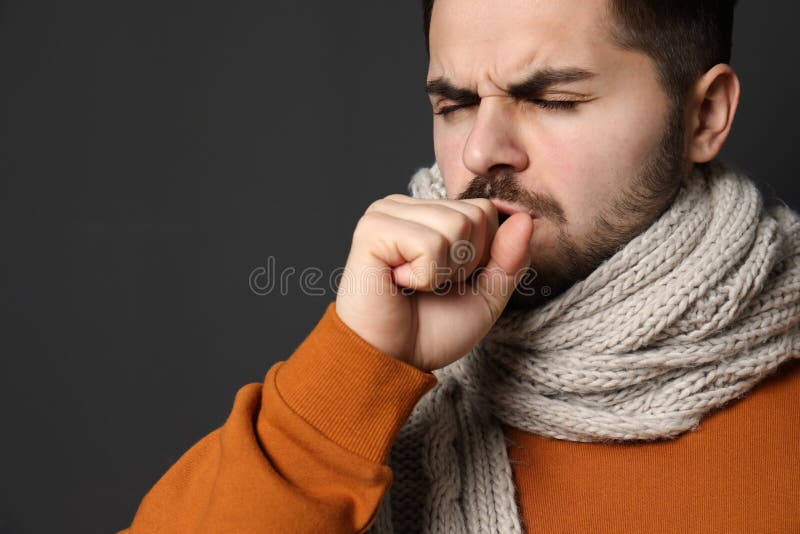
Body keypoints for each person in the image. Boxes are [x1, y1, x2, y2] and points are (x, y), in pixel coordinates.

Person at [120, 0, 800, 532]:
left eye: (554, 101)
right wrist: (359, 367)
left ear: (704, 116)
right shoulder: (373, 363)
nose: (479, 152)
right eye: (455, 105)